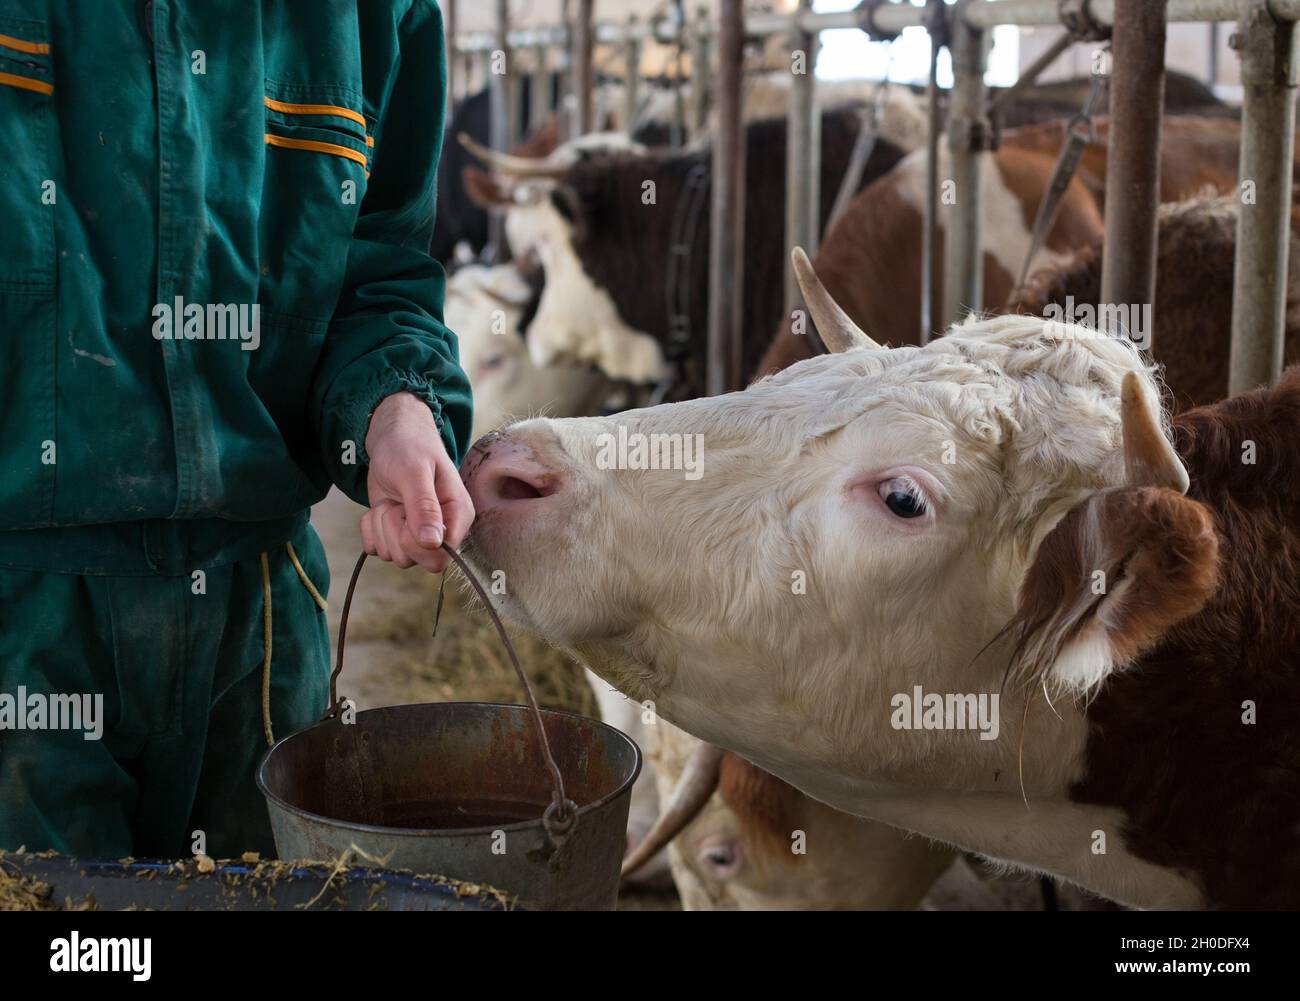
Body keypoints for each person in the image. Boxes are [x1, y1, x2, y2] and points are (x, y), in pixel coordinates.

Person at [0, 0, 473, 859]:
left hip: (259, 619)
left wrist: (393, 408)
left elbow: (380, 271)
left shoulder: (377, 14)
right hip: (20, 613)